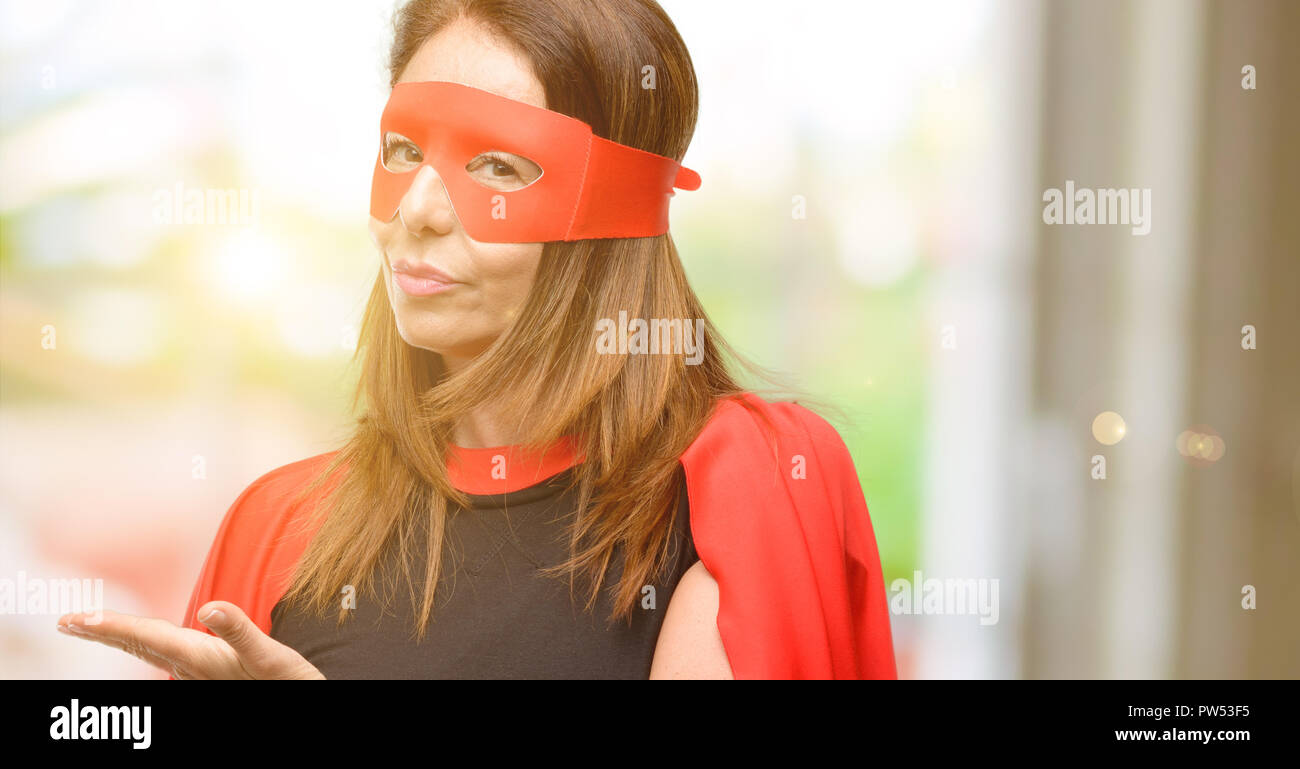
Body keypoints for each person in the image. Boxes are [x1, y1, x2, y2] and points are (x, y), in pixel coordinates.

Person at [57, 0, 896, 680]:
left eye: (497, 166)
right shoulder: (280, 524)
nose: (416, 210)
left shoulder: (749, 483)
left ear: (614, 213)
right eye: (401, 150)